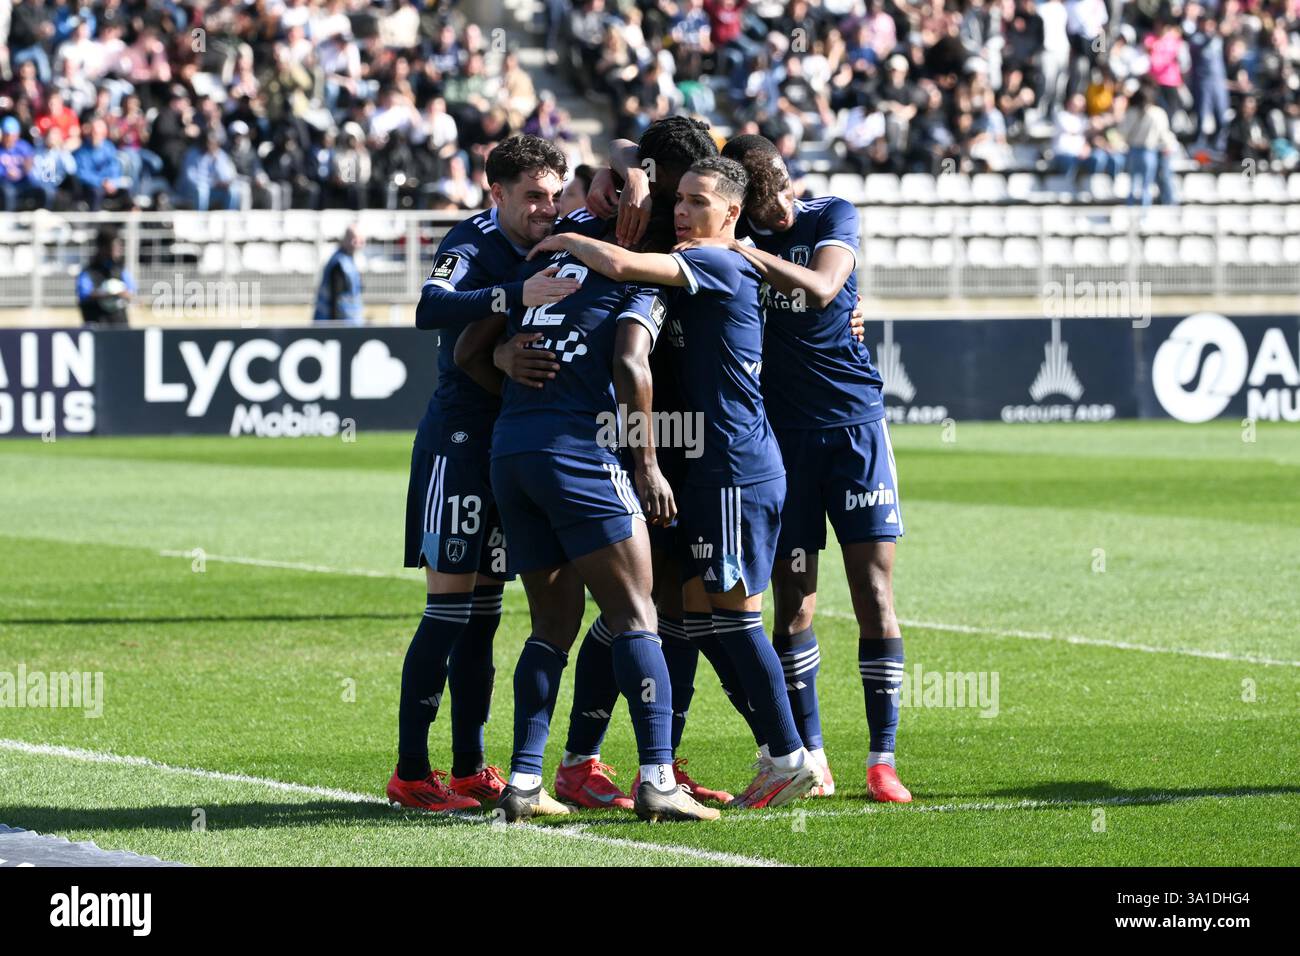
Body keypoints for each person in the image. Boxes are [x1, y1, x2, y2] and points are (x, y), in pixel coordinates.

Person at [526, 157, 823, 808]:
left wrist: (568, 237)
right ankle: (772, 756)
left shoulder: (721, 262)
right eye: (680, 200)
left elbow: (627, 266)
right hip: (721, 467)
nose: (684, 211)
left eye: (698, 202)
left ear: (731, 215)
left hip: (735, 470)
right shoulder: (715, 264)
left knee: (739, 620)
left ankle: (789, 755)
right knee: (713, 618)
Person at [455, 222, 719, 824]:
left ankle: (522, 782)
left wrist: (513, 376)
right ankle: (657, 777)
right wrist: (647, 465)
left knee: (551, 625)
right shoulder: (635, 277)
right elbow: (630, 361)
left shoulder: (541, 271)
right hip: (580, 454)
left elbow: (469, 351)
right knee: (636, 613)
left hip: (511, 453)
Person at [386, 135, 587, 812]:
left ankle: (470, 767)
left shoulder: (558, 237)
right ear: (494, 192)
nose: (546, 208)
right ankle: (412, 773)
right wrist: (513, 292)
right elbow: (426, 309)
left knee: (484, 618)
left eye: (555, 195)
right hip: (459, 442)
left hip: (508, 445)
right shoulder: (471, 241)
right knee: (446, 611)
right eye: (532, 196)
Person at [720, 133, 911, 802]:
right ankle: (814, 756)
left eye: (776, 178)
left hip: (855, 427)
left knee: (874, 594)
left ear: (783, 171)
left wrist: (746, 253)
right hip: (781, 440)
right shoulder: (732, 233)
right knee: (794, 603)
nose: (774, 199)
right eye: (757, 189)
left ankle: (882, 760)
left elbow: (829, 289)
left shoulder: (832, 213)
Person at [77, 227, 135, 326]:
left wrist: (124, 294)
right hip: (96, 327)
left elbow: (131, 293)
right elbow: (84, 295)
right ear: (103, 247)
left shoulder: (121, 270)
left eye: (120, 246)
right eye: (115, 246)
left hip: (120, 327)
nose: (119, 250)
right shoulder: (88, 272)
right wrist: (109, 293)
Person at [312, 225, 365, 325]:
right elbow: (335, 299)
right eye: (354, 240)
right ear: (345, 240)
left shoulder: (351, 260)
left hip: (349, 323)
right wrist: (335, 327)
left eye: (361, 241)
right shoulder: (340, 264)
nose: (357, 245)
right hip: (332, 323)